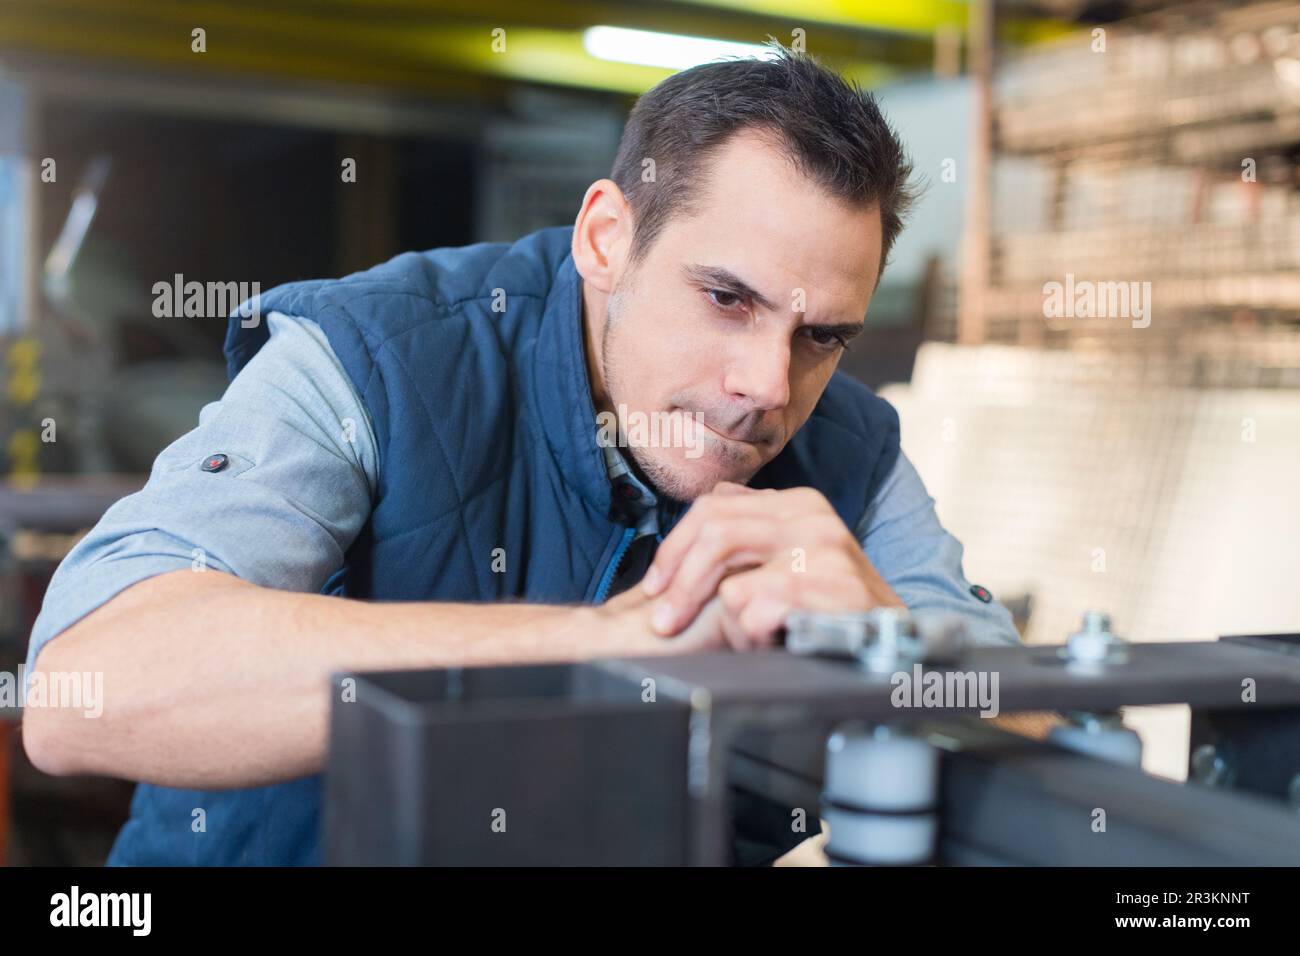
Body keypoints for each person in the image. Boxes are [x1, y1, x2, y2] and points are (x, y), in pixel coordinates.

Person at [23, 46, 1019, 865]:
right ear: (604, 237)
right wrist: (603, 645)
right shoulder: (375, 356)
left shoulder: (851, 448)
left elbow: (1032, 728)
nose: (767, 383)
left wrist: (889, 641)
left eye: (822, 335)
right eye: (726, 297)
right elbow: (82, 692)